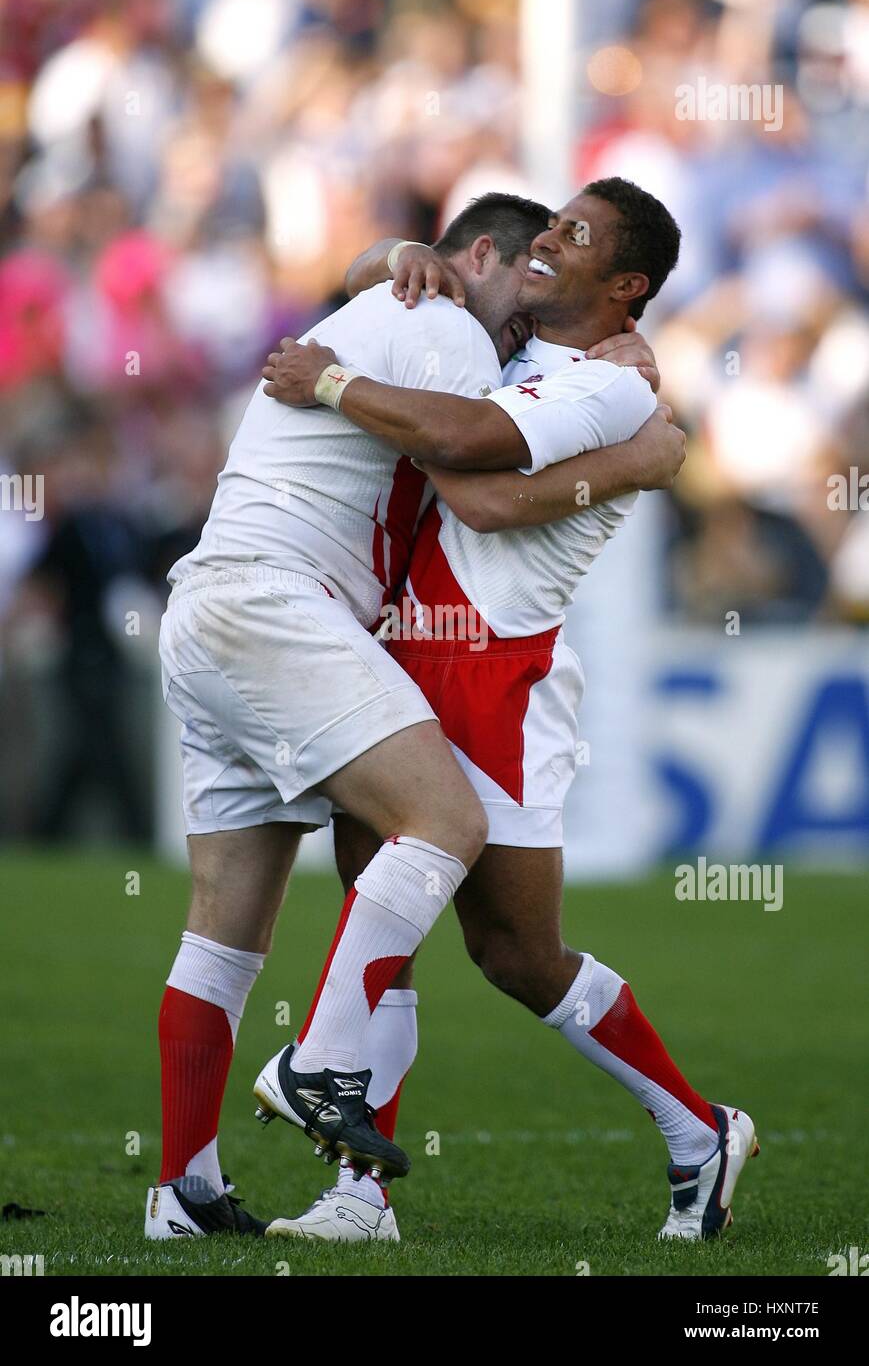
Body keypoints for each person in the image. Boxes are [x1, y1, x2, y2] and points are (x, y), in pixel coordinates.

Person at [147, 192, 681, 1239]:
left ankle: (183, 1192)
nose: (520, 318)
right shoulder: (443, 327)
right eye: (519, 270)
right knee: (443, 824)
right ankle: (318, 1066)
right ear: (474, 254)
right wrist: (646, 448)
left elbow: (367, 282)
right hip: (277, 607)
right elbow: (475, 465)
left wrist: (384, 257)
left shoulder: (405, 297)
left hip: (213, 607)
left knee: (221, 936)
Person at [260, 178, 757, 1246]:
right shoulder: (517, 334)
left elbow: (480, 489)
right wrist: (406, 252)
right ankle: (359, 1193)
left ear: (625, 286)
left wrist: (338, 384)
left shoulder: (616, 390)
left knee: (517, 955)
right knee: (373, 914)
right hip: (403, 646)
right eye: (548, 221)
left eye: (574, 233)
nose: (546, 238)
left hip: (497, 675)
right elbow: (361, 282)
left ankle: (699, 1128)